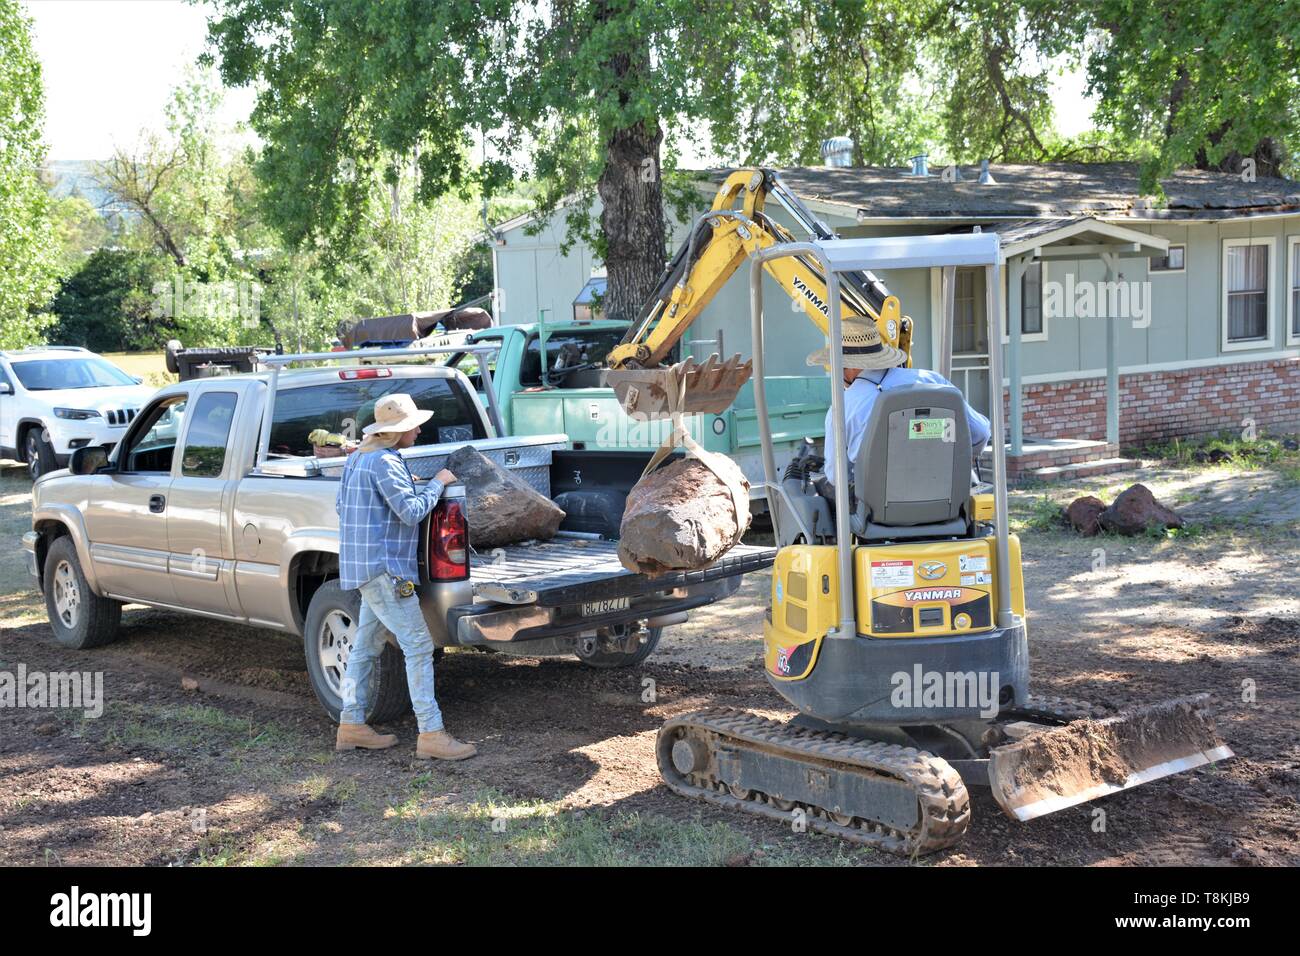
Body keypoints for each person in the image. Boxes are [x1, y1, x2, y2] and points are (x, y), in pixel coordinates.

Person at [333, 393, 477, 760]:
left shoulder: (358, 460)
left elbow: (343, 505)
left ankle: (351, 725)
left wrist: (407, 482)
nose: (419, 429)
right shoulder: (385, 463)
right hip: (386, 570)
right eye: (413, 425)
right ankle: (431, 733)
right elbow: (412, 512)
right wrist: (438, 483)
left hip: (363, 567)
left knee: (364, 649)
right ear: (397, 432)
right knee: (418, 646)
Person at [809, 319, 991, 487]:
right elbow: (981, 432)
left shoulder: (841, 407)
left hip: (879, 516)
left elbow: (835, 476)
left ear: (848, 366)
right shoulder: (932, 380)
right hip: (947, 510)